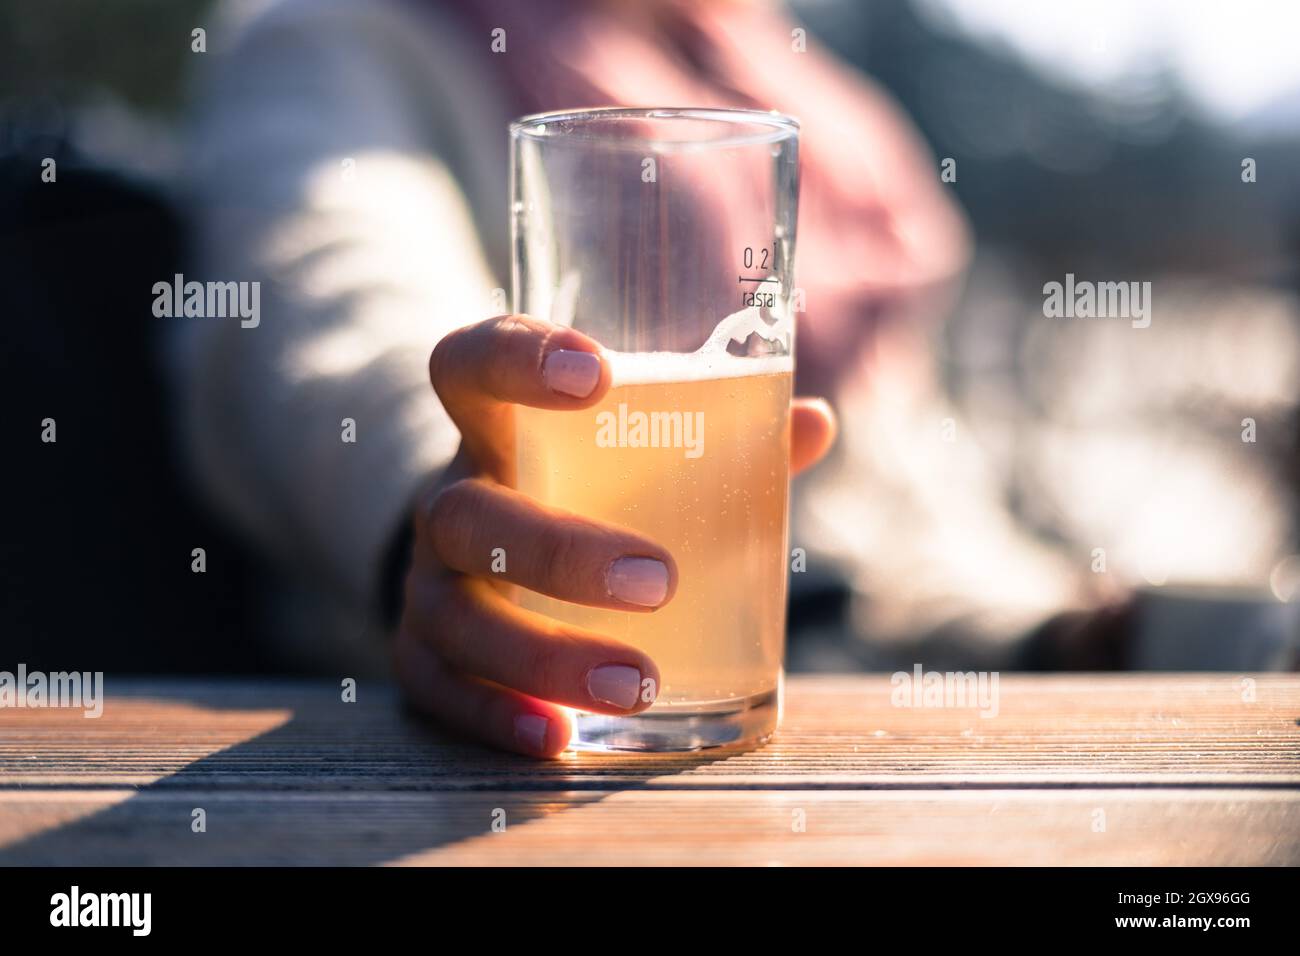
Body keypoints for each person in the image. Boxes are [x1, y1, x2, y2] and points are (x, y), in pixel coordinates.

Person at [178, 0, 1015, 756]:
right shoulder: (333, 41)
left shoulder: (772, 85)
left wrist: (1070, 629)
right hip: (490, 765)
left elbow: (916, 531)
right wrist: (452, 509)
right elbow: (335, 306)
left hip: (875, 690)